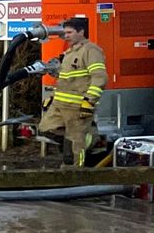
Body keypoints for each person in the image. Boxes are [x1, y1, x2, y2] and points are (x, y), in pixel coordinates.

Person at [38, 17, 109, 166]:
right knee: (45, 129)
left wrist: (89, 101)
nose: (66, 35)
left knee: (75, 148)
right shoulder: (69, 52)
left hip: (78, 107)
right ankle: (90, 138)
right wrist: (52, 97)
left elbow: (99, 78)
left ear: (81, 32)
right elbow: (65, 81)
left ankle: (75, 175)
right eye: (65, 32)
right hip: (60, 105)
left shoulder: (91, 50)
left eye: (70, 32)